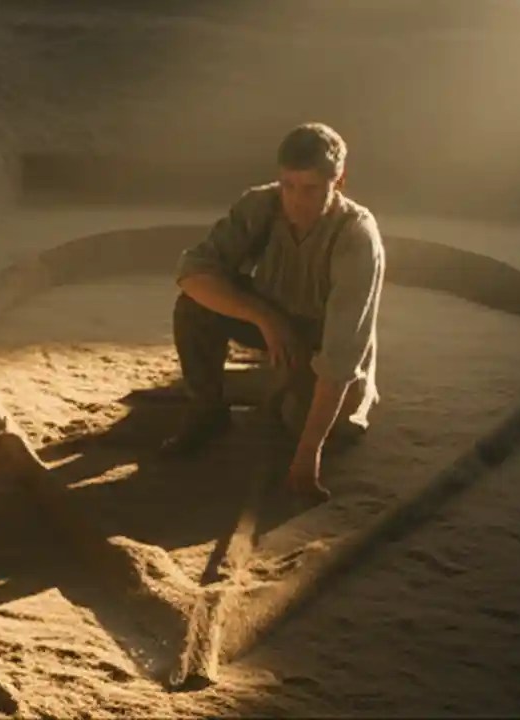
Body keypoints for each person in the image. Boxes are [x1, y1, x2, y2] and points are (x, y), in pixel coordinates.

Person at [162, 122, 386, 501]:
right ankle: (207, 409)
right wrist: (266, 318)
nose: (297, 200)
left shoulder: (356, 237)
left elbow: (340, 356)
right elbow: (192, 273)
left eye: (312, 189)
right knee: (194, 306)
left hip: (322, 333)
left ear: (339, 182)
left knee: (311, 425)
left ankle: (296, 399)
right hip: (272, 312)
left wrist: (307, 454)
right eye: (288, 186)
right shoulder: (261, 205)